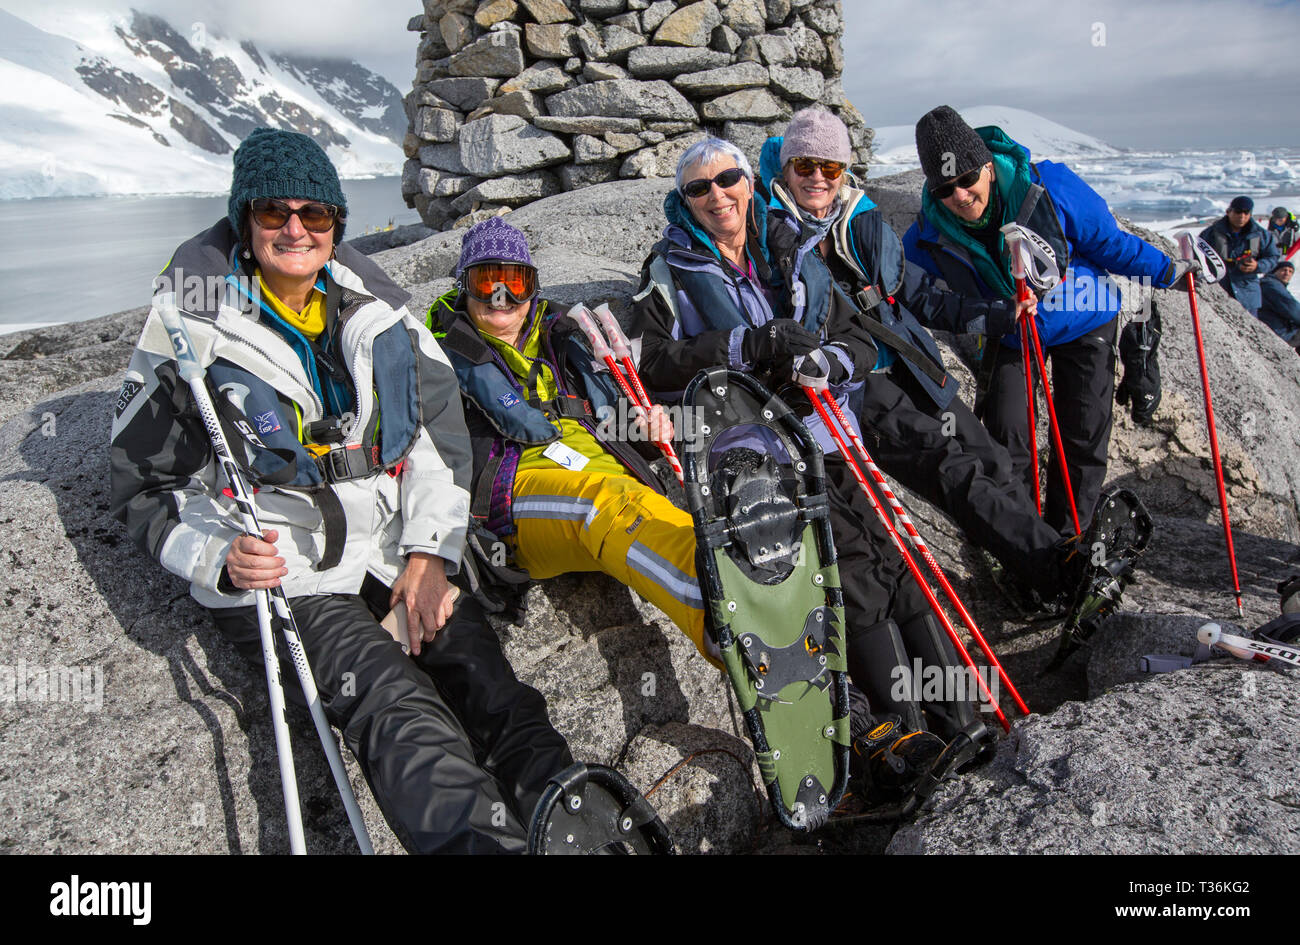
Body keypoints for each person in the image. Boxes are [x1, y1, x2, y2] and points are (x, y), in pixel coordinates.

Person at [110, 128, 574, 854]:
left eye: (315, 214)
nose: (295, 229)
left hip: (389, 548)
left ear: (336, 224)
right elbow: (144, 480)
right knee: (400, 717)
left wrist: (430, 552)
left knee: (493, 689)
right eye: (273, 212)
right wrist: (218, 555)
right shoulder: (190, 325)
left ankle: (578, 827)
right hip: (290, 567)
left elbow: (433, 434)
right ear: (245, 220)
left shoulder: (376, 310)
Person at [631, 136, 984, 743]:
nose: (717, 196)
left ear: (748, 183)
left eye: (728, 180)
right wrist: (748, 345)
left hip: (831, 429)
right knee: (852, 569)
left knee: (896, 559)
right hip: (758, 452)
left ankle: (959, 717)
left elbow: (862, 337)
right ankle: (906, 734)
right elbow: (653, 362)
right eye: (699, 188)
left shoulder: (794, 250)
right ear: (684, 200)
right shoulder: (670, 271)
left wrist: (830, 362)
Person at [755, 107, 1098, 614]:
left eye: (829, 168)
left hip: (911, 365)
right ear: (785, 170)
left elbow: (924, 296)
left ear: (844, 172)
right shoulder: (769, 236)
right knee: (951, 466)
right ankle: (1057, 570)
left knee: (994, 457)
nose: (817, 179)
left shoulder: (857, 221)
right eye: (804, 166)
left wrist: (999, 314)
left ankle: (1030, 566)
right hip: (856, 384)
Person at [424, 217, 718, 666]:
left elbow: (612, 421)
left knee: (636, 503)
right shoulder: (437, 355)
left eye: (514, 281)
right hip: (515, 495)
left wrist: (645, 427)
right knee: (604, 504)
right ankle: (722, 609)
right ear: (464, 288)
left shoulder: (561, 339)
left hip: (610, 479)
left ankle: (732, 582)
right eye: (486, 282)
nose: (501, 297)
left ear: (533, 287)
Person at [903, 105, 1188, 536]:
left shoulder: (1046, 186)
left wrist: (1166, 272)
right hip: (1012, 331)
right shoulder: (928, 230)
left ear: (987, 167)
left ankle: (1073, 541)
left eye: (966, 179)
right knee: (1005, 438)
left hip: (1084, 319)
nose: (960, 196)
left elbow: (1108, 242)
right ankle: (1024, 542)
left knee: (1082, 434)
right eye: (945, 188)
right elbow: (901, 281)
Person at [1199, 196, 1280, 317]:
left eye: (1246, 213)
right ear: (1229, 212)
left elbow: (1273, 257)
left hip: (1248, 296)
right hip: (1218, 291)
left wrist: (1257, 266)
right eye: (1238, 212)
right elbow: (1197, 255)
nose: (1241, 216)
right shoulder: (1211, 233)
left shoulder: (1261, 235)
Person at [1258, 259, 1300, 351]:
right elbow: (1292, 308)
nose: (1287, 273)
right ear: (1274, 271)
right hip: (1276, 331)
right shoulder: (1271, 285)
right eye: (1284, 270)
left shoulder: (1272, 284)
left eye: (1290, 271)